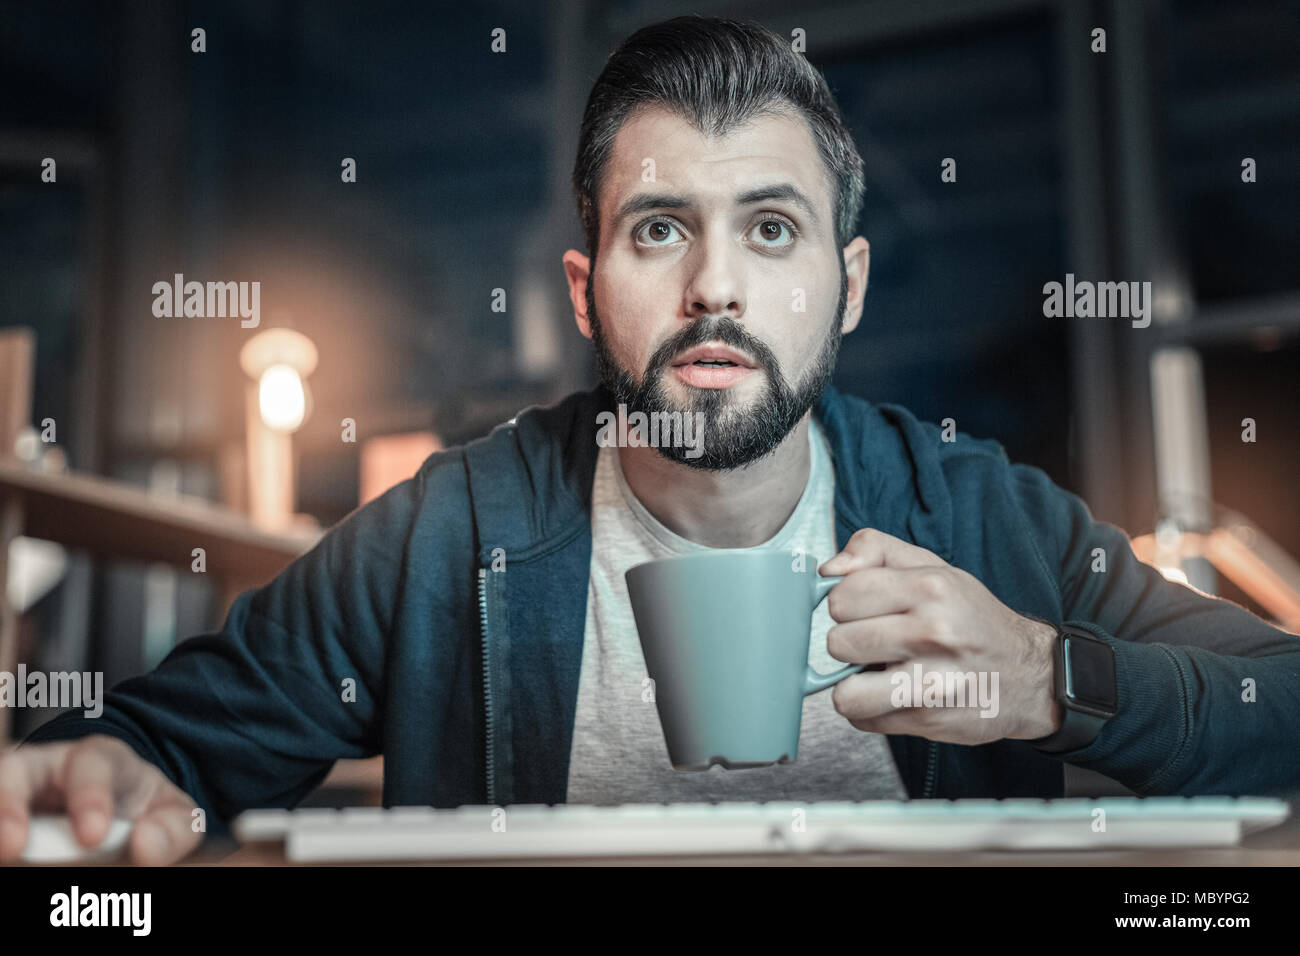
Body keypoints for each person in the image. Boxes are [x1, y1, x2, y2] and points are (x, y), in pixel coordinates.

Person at [2, 16, 1297, 866]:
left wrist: (1052, 676)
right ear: (585, 292)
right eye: (660, 228)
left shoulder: (982, 519)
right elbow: (167, 747)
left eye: (772, 230)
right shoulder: (449, 533)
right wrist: (107, 774)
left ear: (847, 288)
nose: (714, 287)